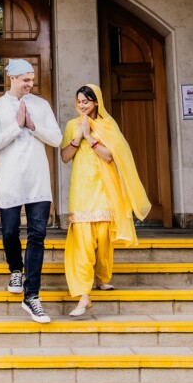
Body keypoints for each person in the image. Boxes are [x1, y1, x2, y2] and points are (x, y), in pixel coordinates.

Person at [60, 84, 151, 316]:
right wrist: (77, 138)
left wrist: (89, 137)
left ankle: (102, 277)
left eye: (86, 101)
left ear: (96, 102)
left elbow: (109, 156)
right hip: (81, 190)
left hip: (103, 189)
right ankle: (83, 295)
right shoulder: (72, 125)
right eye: (79, 101)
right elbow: (65, 157)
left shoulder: (108, 125)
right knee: (81, 242)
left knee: (103, 238)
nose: (82, 105)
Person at [0, 58, 63, 324]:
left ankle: (32, 296)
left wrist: (33, 126)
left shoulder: (42, 105)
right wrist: (16, 125)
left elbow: (57, 139)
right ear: (12, 78)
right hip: (10, 181)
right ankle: (15, 269)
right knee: (9, 232)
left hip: (38, 181)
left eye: (32, 79)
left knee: (37, 235)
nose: (30, 83)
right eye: (26, 79)